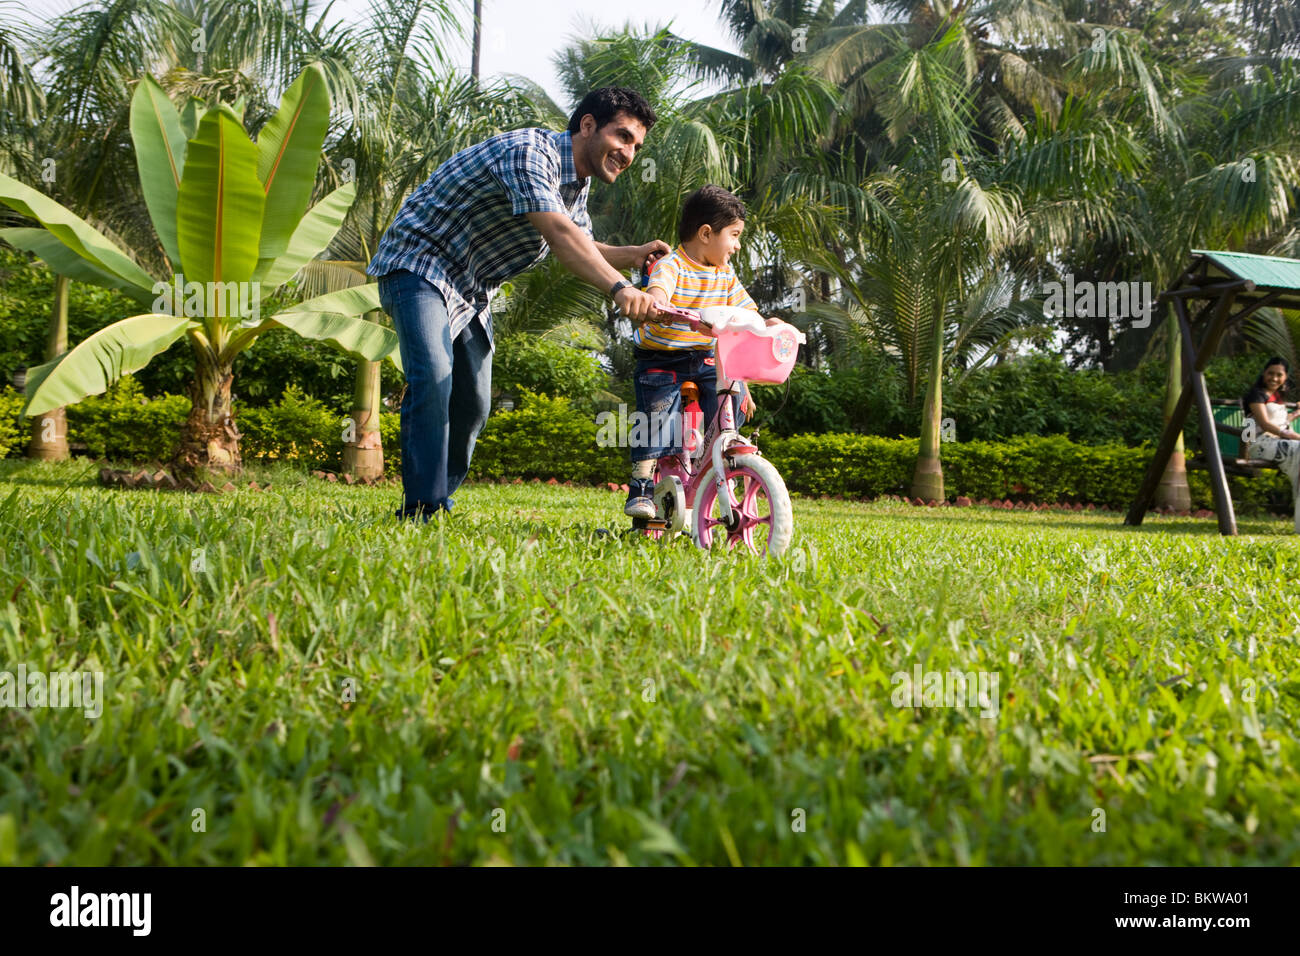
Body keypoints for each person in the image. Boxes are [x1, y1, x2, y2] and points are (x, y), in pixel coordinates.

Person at [368, 87, 670, 520]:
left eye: (636, 146)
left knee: (473, 404)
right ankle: (422, 508)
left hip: (471, 287)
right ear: (587, 125)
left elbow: (582, 240)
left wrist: (633, 253)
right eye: (622, 137)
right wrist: (621, 288)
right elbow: (561, 237)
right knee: (434, 375)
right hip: (419, 262)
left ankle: (438, 499)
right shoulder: (530, 154)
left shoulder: (574, 185)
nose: (629, 153)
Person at [624, 184, 780, 518]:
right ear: (706, 233)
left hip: (709, 359)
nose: (737, 246)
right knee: (656, 416)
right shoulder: (672, 266)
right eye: (734, 235)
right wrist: (659, 303)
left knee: (730, 401)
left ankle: (715, 466)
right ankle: (642, 487)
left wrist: (766, 325)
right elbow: (658, 288)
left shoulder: (725, 275)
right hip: (663, 357)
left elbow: (746, 317)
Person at [1241, 356, 1300, 531]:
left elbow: (1280, 421)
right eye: (1270, 373)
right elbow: (1265, 424)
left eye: (1279, 375)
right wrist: (1295, 437)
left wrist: (1296, 413)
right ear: (1264, 373)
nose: (1274, 378)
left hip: (1278, 442)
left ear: (1285, 377)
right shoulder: (1255, 395)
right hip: (1260, 444)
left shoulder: (1277, 396)